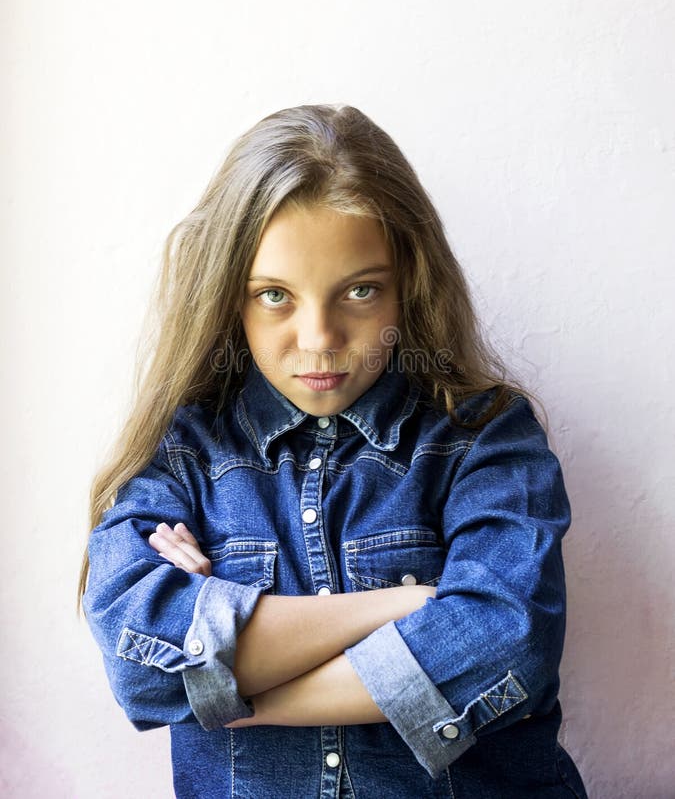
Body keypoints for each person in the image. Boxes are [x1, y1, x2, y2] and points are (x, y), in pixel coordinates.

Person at [79, 103, 588, 798]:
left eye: (359, 290)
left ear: (409, 283)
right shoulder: (182, 453)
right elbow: (138, 666)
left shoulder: (485, 436)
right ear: (229, 297)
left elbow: (504, 641)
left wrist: (228, 690)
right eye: (274, 296)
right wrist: (402, 605)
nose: (319, 337)